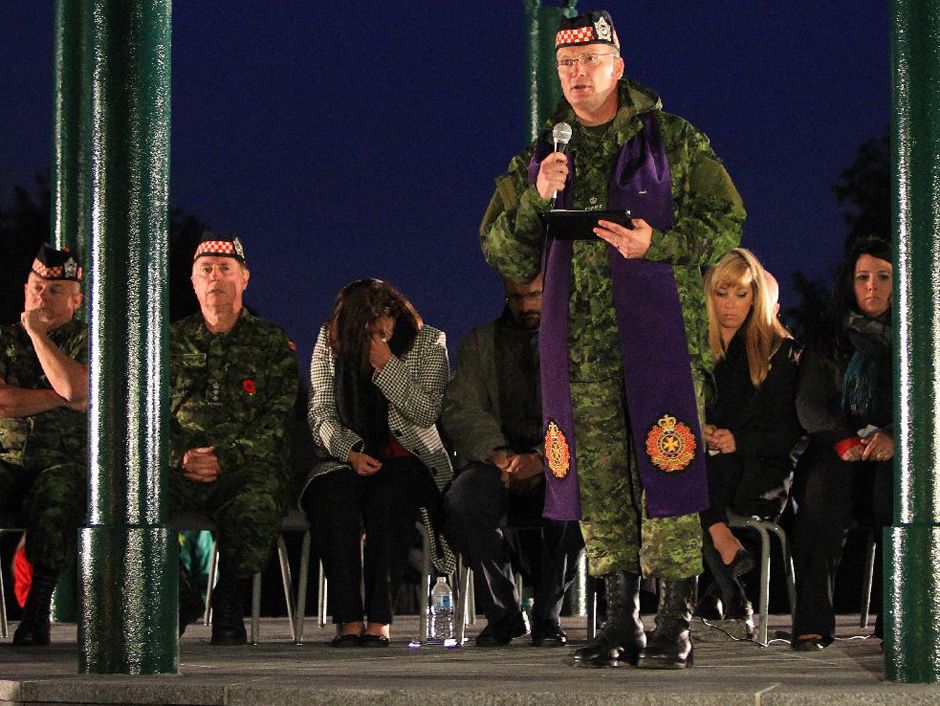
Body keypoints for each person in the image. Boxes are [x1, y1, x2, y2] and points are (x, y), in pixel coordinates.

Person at [480, 10, 744, 669]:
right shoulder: (543, 153)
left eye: (589, 60)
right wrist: (536, 198)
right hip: (581, 353)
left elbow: (727, 222)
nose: (577, 74)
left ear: (617, 66)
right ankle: (620, 620)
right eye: (566, 64)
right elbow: (503, 252)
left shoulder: (673, 142)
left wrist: (661, 244)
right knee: (601, 490)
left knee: (670, 472)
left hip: (662, 346)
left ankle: (674, 623)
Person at [302, 279, 454, 647]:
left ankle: (380, 621)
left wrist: (387, 367)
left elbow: (425, 411)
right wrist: (349, 451)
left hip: (409, 455)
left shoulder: (429, 341)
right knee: (332, 495)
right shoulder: (331, 341)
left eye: (384, 325)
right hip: (347, 457)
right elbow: (319, 410)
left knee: (388, 497)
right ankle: (348, 618)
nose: (378, 335)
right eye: (368, 330)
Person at [442, 273, 584, 647]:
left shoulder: (576, 341)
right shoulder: (480, 342)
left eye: (535, 295)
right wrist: (499, 454)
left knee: (574, 505)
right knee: (462, 502)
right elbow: (460, 407)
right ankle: (503, 613)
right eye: (516, 298)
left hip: (558, 460)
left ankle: (547, 616)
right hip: (496, 461)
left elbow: (587, 411)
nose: (526, 306)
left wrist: (542, 457)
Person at [169, 232, 298, 645]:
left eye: (225, 269)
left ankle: (228, 604)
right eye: (205, 270)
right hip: (180, 464)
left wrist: (225, 457)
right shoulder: (167, 342)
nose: (215, 278)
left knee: (257, 501)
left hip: (244, 468)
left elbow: (277, 420)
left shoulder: (271, 343)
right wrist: (179, 456)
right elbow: (147, 413)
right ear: (193, 281)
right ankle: (178, 596)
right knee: (128, 496)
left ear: (244, 278)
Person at [790, 236, 894, 651]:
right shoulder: (828, 336)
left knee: (898, 489)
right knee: (819, 492)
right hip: (838, 450)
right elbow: (808, 404)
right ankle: (813, 621)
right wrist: (844, 439)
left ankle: (897, 619)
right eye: (863, 277)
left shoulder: (919, 337)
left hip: (891, 454)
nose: (872, 287)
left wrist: (894, 437)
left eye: (883, 277)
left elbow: (925, 401)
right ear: (849, 284)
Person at [695, 249, 802, 636]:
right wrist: (702, 429)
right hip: (710, 465)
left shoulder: (779, 351)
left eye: (741, 295)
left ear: (756, 298)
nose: (731, 305)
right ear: (710, 295)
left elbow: (790, 433)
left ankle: (728, 586)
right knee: (683, 473)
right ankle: (734, 594)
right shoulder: (696, 349)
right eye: (722, 293)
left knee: (699, 488)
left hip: (761, 469)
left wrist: (738, 440)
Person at [0, 244, 87, 646]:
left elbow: (78, 388)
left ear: (76, 299)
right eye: (36, 288)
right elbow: (3, 402)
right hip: (7, 457)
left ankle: (37, 611)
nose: (41, 298)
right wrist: (57, 397)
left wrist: (37, 335)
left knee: (60, 492)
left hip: (62, 461)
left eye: (54, 291)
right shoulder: (3, 340)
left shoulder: (89, 341)